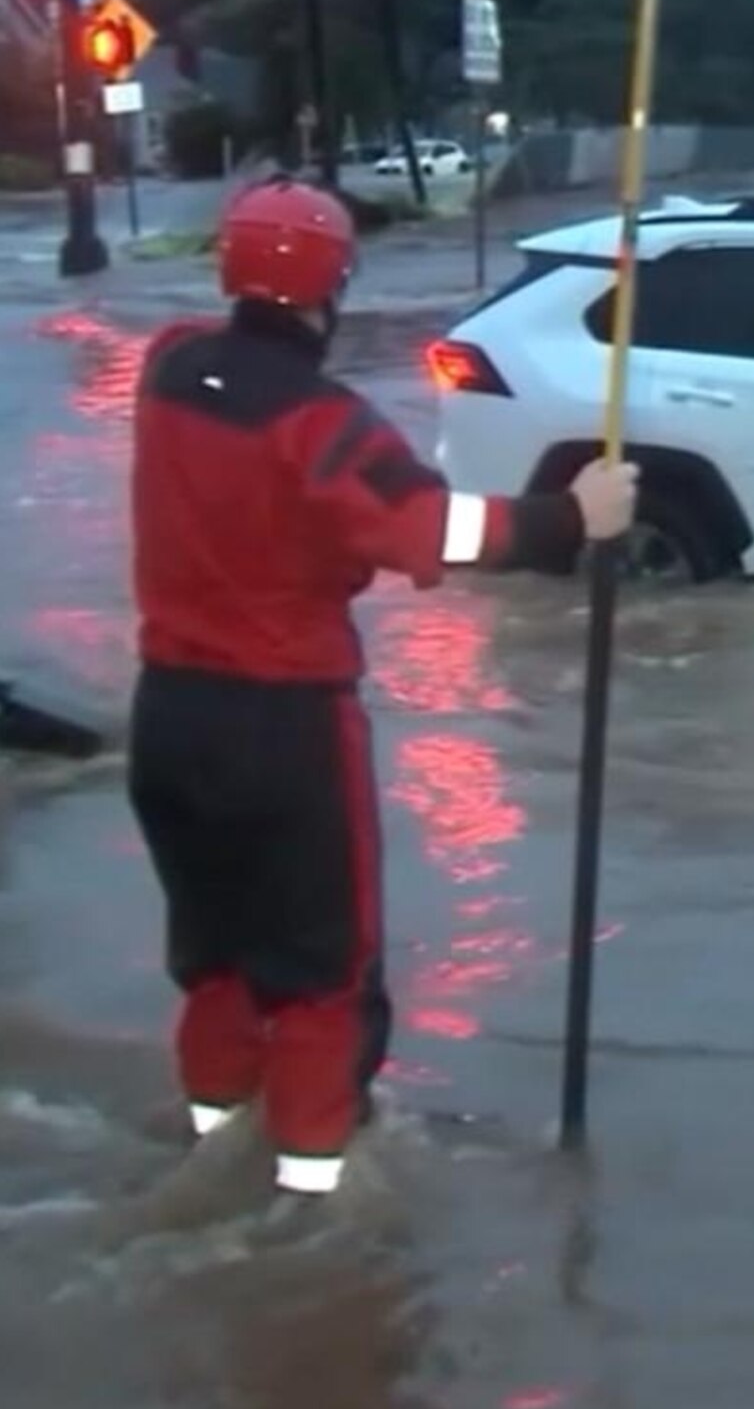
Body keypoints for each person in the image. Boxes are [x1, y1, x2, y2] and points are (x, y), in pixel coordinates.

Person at [124, 177, 636, 1197]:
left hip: (166, 719)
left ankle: (211, 1142)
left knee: (215, 956)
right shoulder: (326, 426)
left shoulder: (167, 368)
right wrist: (572, 517)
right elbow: (428, 531)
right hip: (286, 732)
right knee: (321, 975)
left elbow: (225, 377)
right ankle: (311, 1209)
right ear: (336, 287)